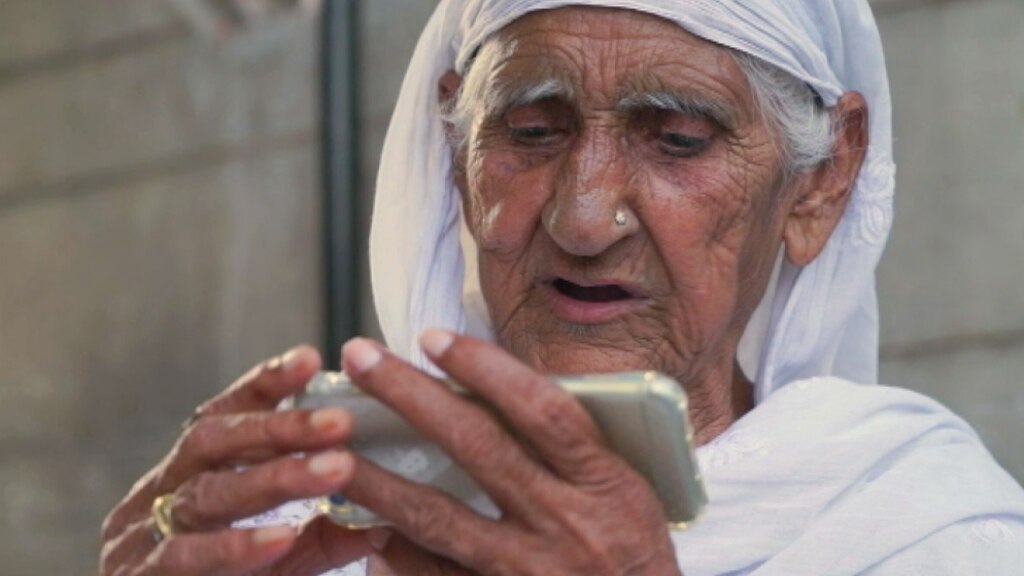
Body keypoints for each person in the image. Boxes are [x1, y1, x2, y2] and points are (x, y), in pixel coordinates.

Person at [99, 1, 1024, 575]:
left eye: (678, 141)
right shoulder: (305, 527)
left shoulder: (924, 535)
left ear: (821, 182)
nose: (582, 219)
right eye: (532, 133)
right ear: (459, 160)